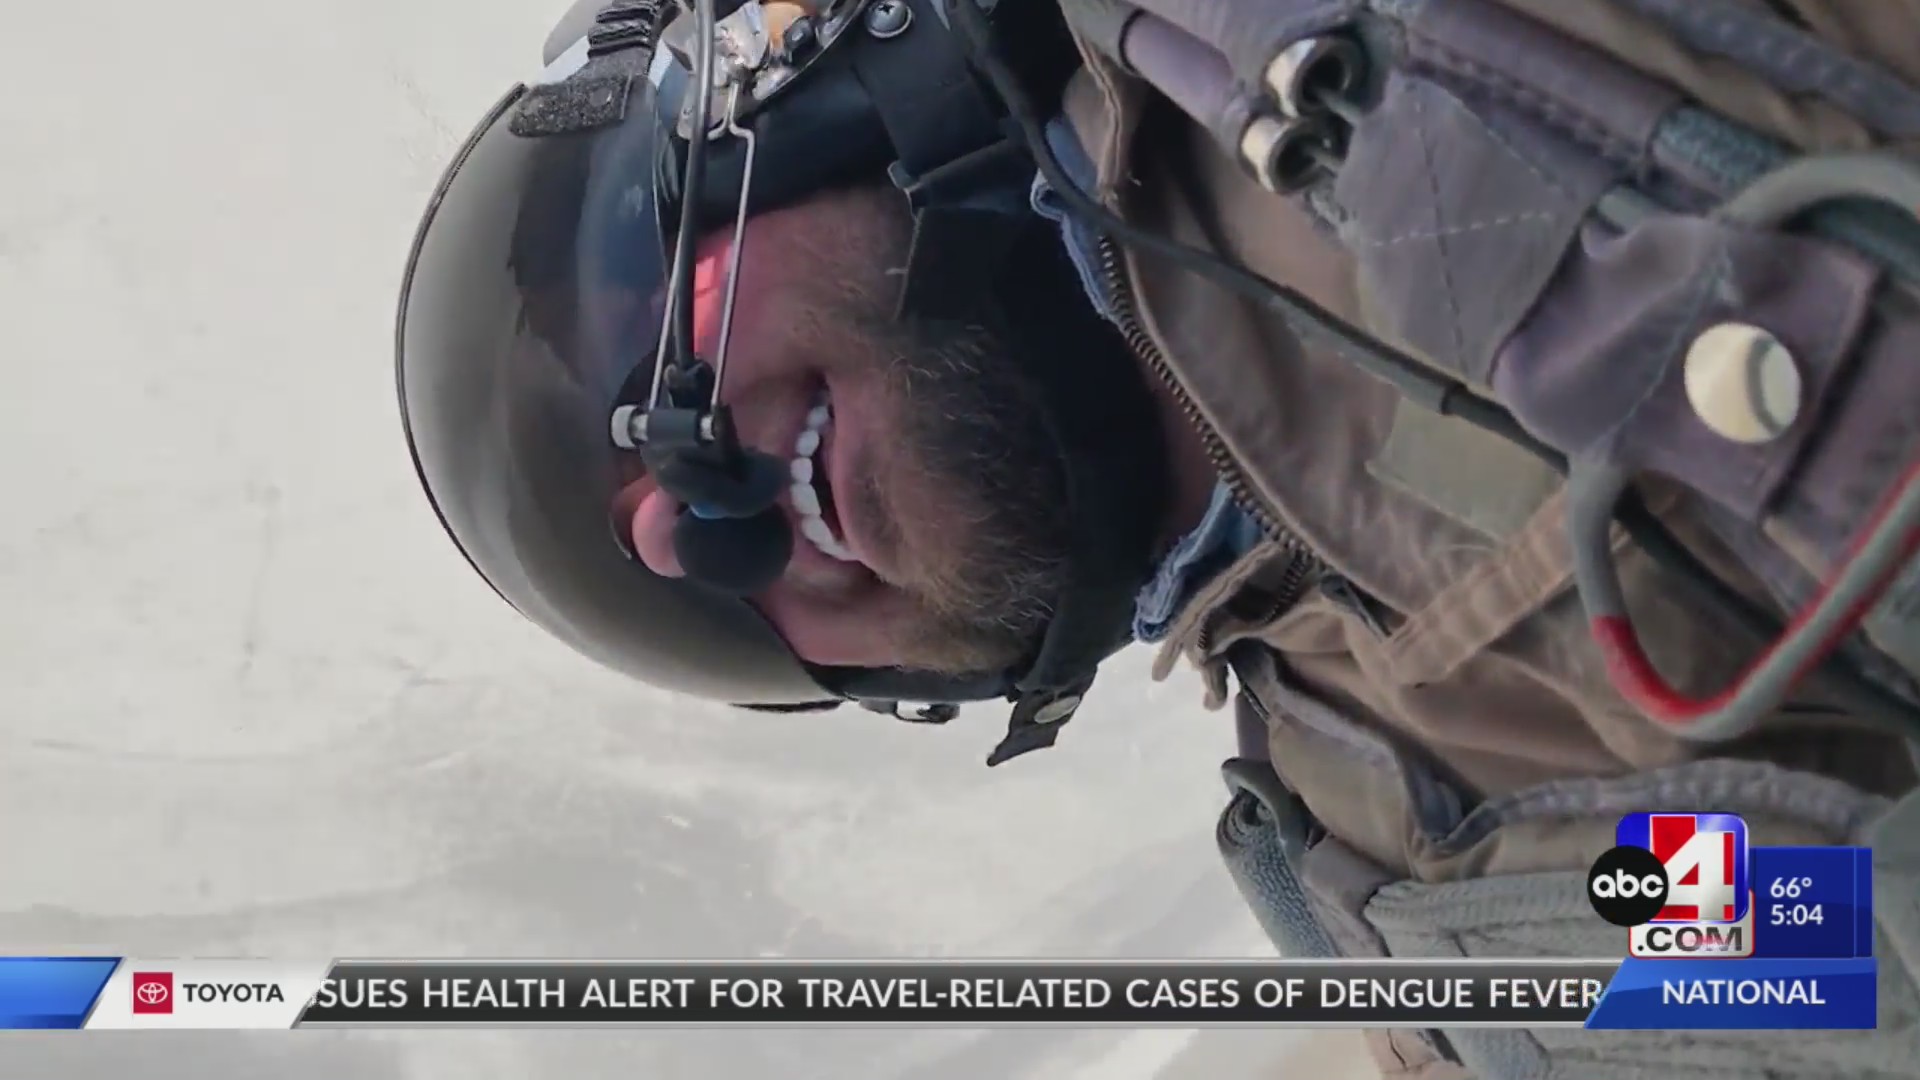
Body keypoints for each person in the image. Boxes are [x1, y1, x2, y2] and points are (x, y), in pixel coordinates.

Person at [398, 0, 1920, 1074]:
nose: (681, 526)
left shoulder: (1307, 41)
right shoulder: (1424, 887)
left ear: (786, 100)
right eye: (678, 608)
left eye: (635, 327)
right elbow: (1833, 956)